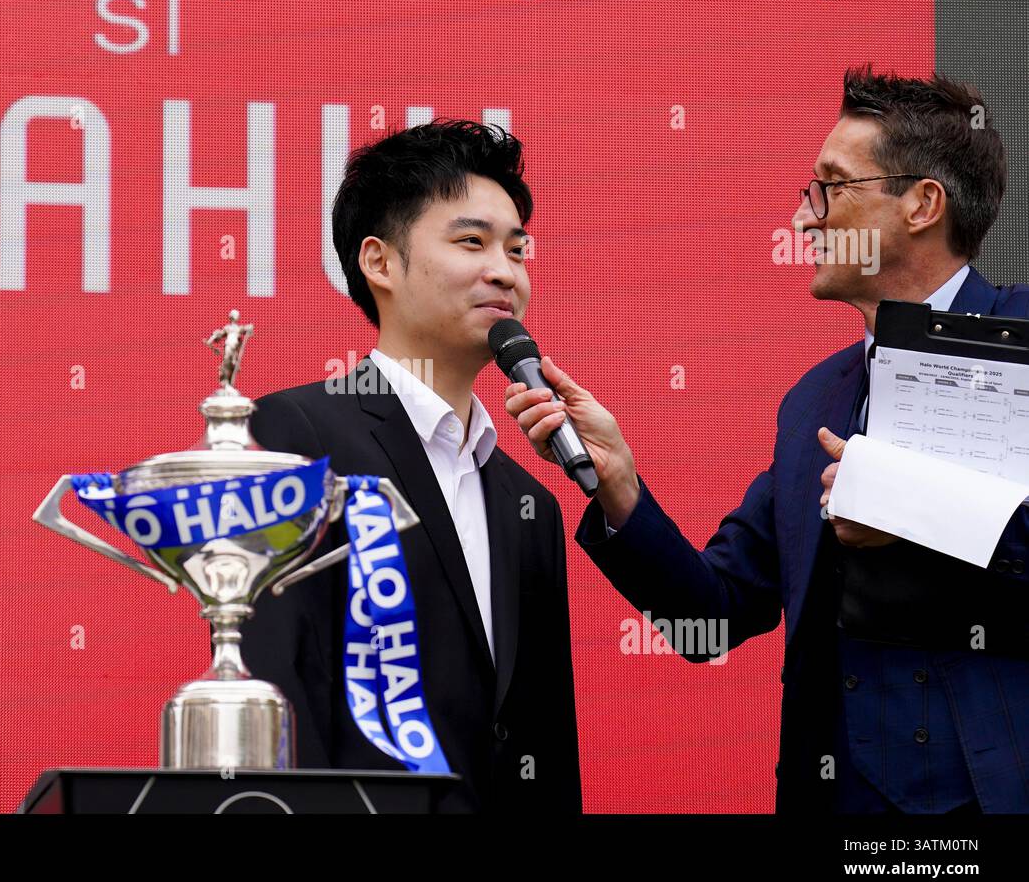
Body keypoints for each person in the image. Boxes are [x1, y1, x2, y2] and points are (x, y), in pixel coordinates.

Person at [505, 66, 1029, 813]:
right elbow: (710, 618)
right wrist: (620, 485)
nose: (805, 218)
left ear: (922, 203)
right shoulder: (814, 400)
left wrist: (915, 505)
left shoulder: (1020, 344)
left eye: (832, 187)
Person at [244, 119, 581, 812]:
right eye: (471, 242)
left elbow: (544, 745)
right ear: (380, 263)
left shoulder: (529, 504)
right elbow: (282, 683)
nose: (505, 272)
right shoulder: (300, 433)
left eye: (517, 251)